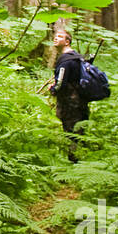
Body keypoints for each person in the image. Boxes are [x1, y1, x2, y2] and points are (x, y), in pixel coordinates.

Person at [46, 28, 89, 160]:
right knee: (78, 130)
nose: (56, 38)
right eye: (55, 36)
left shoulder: (66, 60)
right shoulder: (77, 57)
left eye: (60, 37)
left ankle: (73, 162)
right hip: (81, 99)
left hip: (70, 102)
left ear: (67, 41)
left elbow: (61, 83)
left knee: (71, 132)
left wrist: (53, 90)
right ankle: (79, 160)